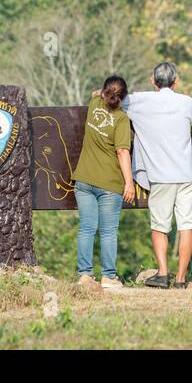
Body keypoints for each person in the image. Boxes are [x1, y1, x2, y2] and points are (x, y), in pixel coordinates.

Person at [123, 62, 192, 289]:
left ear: (152, 81)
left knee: (160, 226)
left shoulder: (139, 102)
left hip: (160, 175)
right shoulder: (186, 102)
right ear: (175, 81)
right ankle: (180, 279)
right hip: (187, 173)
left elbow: (111, 95)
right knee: (187, 225)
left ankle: (163, 273)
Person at [71, 76, 136, 289]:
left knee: (86, 229)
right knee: (108, 232)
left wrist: (102, 92)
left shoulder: (95, 104)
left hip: (84, 178)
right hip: (109, 183)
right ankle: (108, 276)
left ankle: (85, 274)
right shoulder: (121, 119)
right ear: (123, 97)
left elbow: (95, 92)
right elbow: (122, 151)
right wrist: (129, 183)